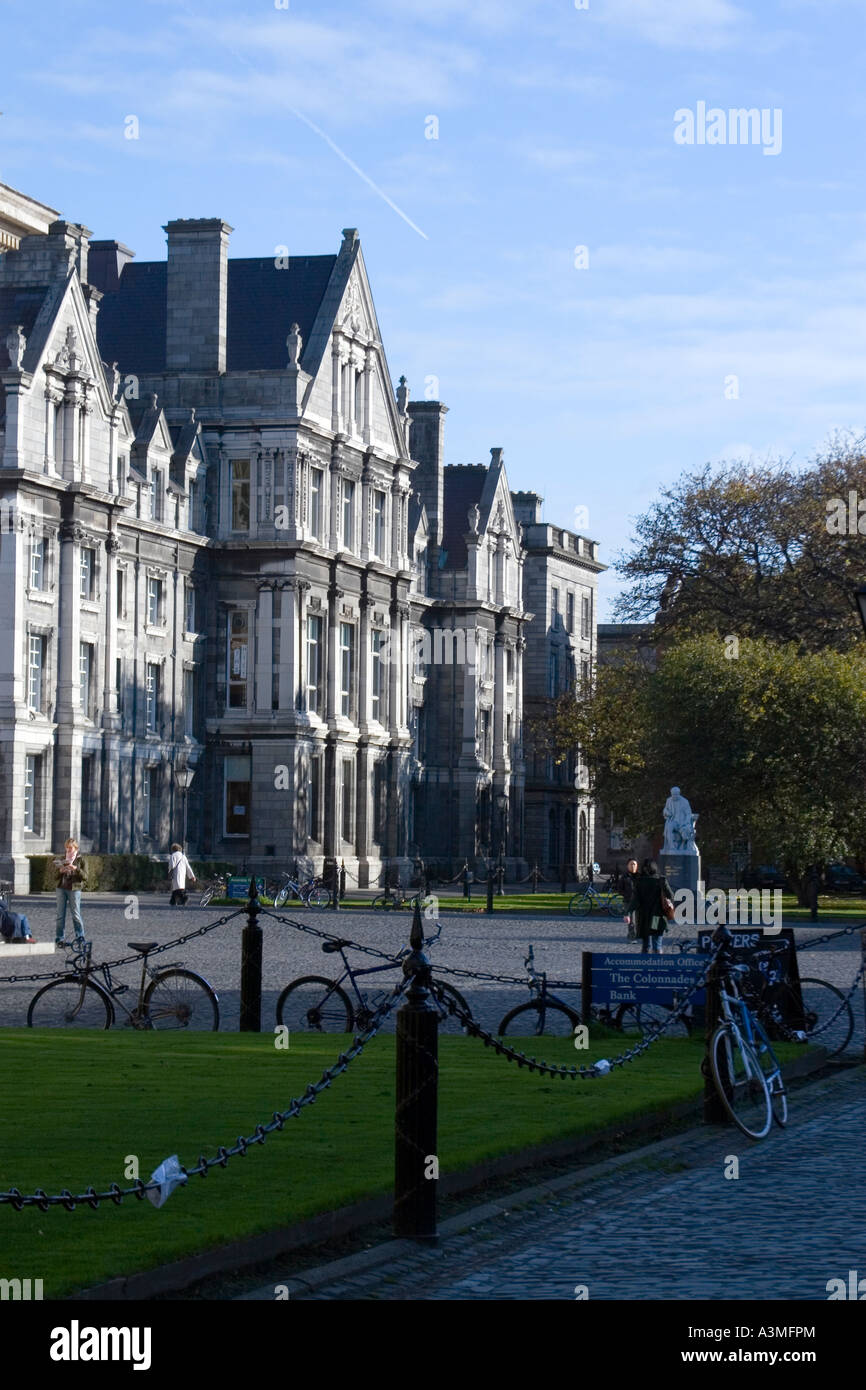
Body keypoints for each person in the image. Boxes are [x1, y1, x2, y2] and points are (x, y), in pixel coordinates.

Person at [634, 858, 673, 955]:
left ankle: (645, 965)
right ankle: (657, 964)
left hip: (644, 917)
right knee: (657, 944)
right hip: (657, 915)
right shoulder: (661, 880)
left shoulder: (639, 881)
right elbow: (671, 895)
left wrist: (628, 912)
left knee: (646, 945)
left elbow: (635, 900)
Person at [53, 838, 86, 947]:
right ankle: (59, 938)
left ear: (75, 848)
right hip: (61, 888)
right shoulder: (62, 858)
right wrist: (60, 871)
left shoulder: (81, 859)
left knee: (76, 914)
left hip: (74, 889)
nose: (68, 849)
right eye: (67, 847)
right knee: (60, 915)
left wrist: (76, 869)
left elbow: (85, 876)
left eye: (70, 847)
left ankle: (80, 937)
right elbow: (54, 877)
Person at [621, 858, 639, 942]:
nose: (633, 866)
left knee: (638, 920)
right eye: (631, 864)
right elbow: (620, 888)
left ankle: (635, 934)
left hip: (638, 901)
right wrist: (626, 894)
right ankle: (632, 937)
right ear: (628, 866)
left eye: (634, 864)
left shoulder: (640, 876)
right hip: (628, 901)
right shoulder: (624, 876)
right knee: (631, 921)